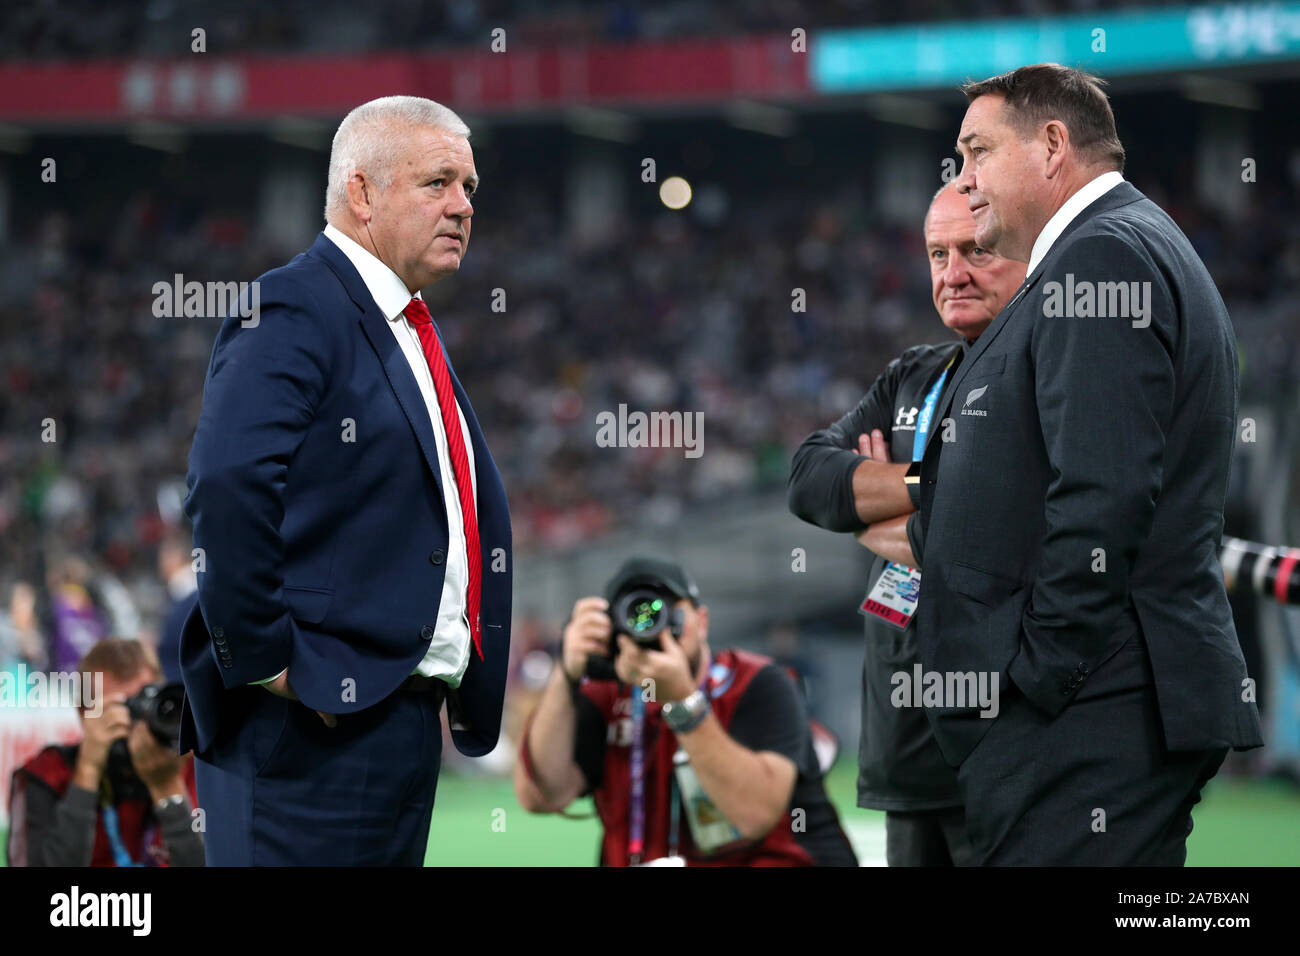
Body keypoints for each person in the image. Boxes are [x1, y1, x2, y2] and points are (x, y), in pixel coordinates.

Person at [905, 63, 1263, 864]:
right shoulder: (1117, 245)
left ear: (1053, 146)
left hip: (1090, 713)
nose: (964, 182)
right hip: (1100, 706)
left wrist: (1034, 680)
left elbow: (1104, 493)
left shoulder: (1101, 256)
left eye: (976, 154)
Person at [180, 95, 512, 865]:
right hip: (309, 727)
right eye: (438, 183)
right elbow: (228, 485)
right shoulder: (296, 304)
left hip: (390, 723)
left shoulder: (404, 325)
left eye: (469, 187)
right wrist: (266, 663)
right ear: (361, 192)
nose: (463, 207)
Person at [788, 181, 1025, 865]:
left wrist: (877, 503)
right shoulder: (913, 374)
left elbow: (993, 519)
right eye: (937, 254)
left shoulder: (1038, 369)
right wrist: (927, 486)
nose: (953, 274)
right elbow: (809, 479)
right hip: (903, 757)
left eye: (975, 251)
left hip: (997, 751)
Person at [513, 556, 858, 866]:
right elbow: (540, 796)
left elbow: (755, 815)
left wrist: (681, 702)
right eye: (634, 612)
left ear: (702, 621)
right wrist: (566, 674)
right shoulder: (604, 696)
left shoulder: (758, 683)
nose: (650, 624)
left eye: (667, 611)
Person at [7, 638, 202, 867]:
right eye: (119, 708)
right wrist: (88, 772)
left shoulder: (192, 769)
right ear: (83, 712)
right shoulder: (47, 775)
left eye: (144, 703)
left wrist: (168, 790)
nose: (134, 724)